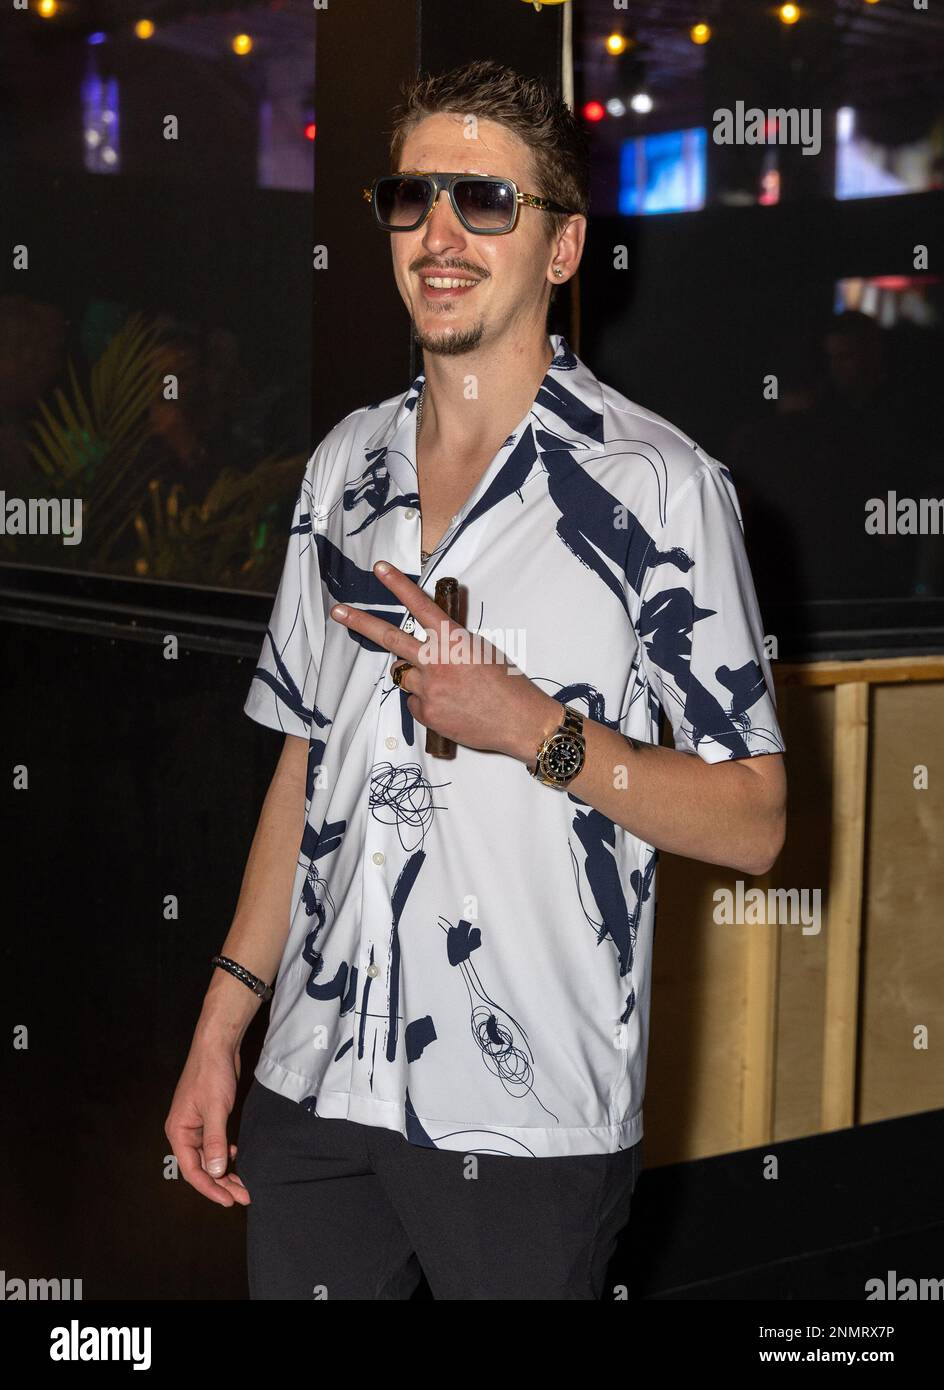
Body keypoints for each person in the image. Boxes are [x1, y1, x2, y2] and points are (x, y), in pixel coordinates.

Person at [165, 59, 787, 1301]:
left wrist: (536, 729)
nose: (438, 235)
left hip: (526, 1122)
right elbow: (305, 755)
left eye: (484, 202)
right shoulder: (343, 466)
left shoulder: (657, 489)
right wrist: (223, 1020)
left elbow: (756, 821)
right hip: (316, 1080)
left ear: (561, 248)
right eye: (413, 198)